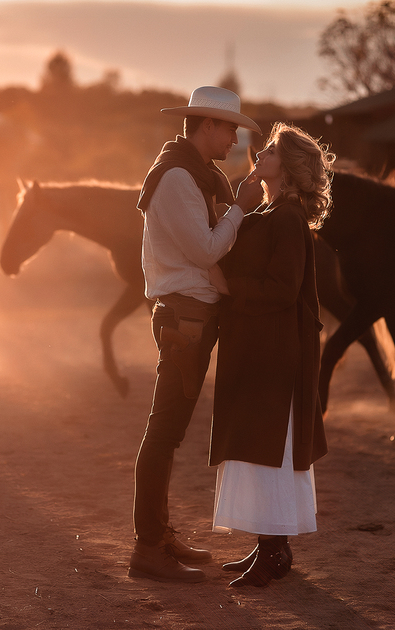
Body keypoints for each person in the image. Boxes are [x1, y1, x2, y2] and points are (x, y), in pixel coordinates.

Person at [128, 86, 265, 583]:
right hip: (185, 318)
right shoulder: (178, 180)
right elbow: (208, 251)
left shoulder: (192, 175)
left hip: (191, 317)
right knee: (163, 431)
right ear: (206, 126)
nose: (233, 137)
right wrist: (242, 206)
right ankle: (148, 547)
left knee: (168, 432)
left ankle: (157, 536)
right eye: (229, 128)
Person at [208, 122, 334, 588]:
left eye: (273, 151)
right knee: (261, 447)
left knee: (271, 449)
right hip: (262, 346)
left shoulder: (287, 217)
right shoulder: (272, 210)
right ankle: (270, 546)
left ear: (290, 167)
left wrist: (227, 286)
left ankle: (274, 552)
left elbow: (283, 289)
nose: (262, 153)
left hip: (277, 352)